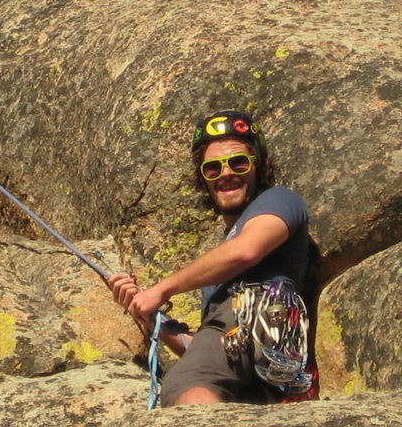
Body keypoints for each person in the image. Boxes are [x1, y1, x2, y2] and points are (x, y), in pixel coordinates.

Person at [110, 110, 312, 406]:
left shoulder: (280, 200)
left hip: (262, 318)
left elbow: (246, 250)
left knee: (185, 383)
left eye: (239, 163)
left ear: (260, 167)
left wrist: (161, 290)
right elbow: (208, 351)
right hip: (259, 357)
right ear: (203, 178)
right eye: (213, 168)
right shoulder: (221, 260)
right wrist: (152, 318)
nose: (226, 173)